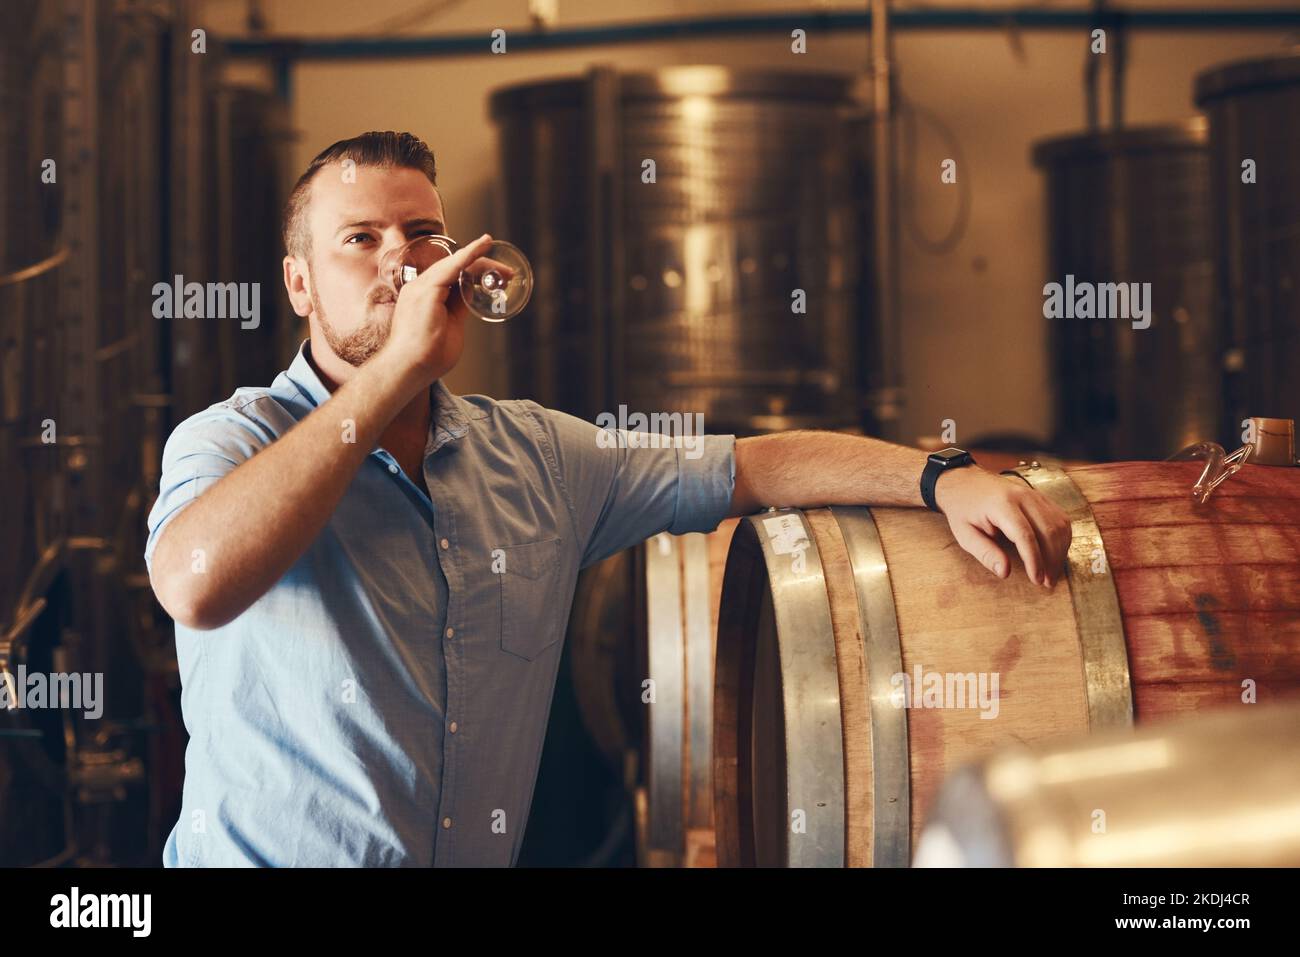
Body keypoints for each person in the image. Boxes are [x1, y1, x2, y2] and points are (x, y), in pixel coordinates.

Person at [145, 131, 1071, 867]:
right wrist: (389, 377)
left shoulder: (537, 455)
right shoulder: (232, 440)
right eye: (361, 239)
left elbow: (757, 465)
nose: (404, 261)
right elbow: (195, 585)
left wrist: (939, 475)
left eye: (424, 234)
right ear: (298, 282)